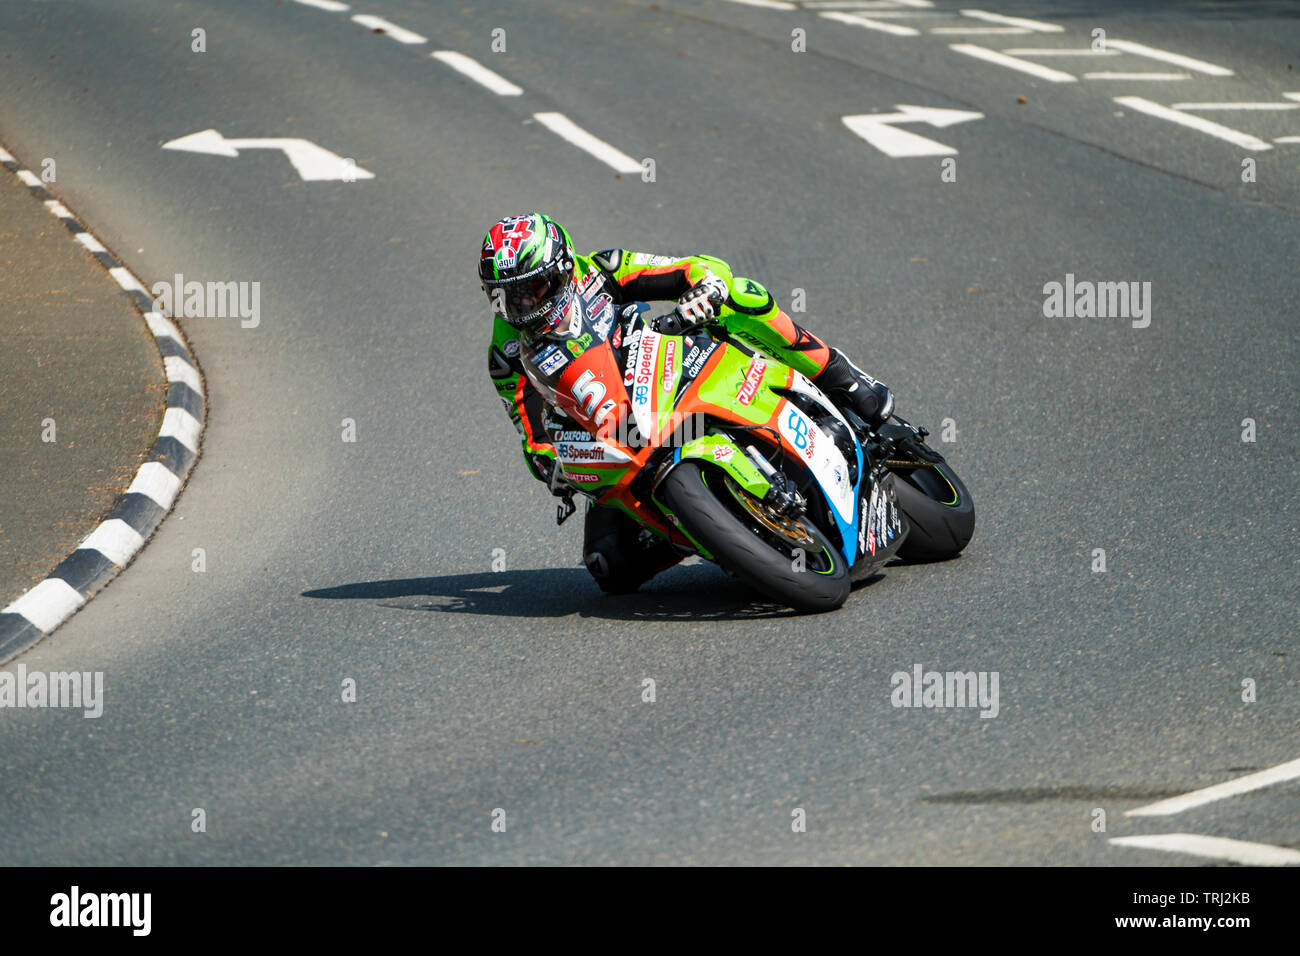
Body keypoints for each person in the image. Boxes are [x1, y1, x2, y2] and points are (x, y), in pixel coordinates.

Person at [480, 212, 893, 594]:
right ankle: (713, 529)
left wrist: (704, 289)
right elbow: (528, 428)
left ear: (564, 268)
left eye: (532, 289)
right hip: (619, 430)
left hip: (672, 364)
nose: (523, 305)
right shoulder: (507, 352)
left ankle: (841, 376)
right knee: (608, 564)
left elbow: (688, 267)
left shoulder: (601, 270)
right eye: (507, 297)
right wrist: (550, 464)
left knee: (739, 294)